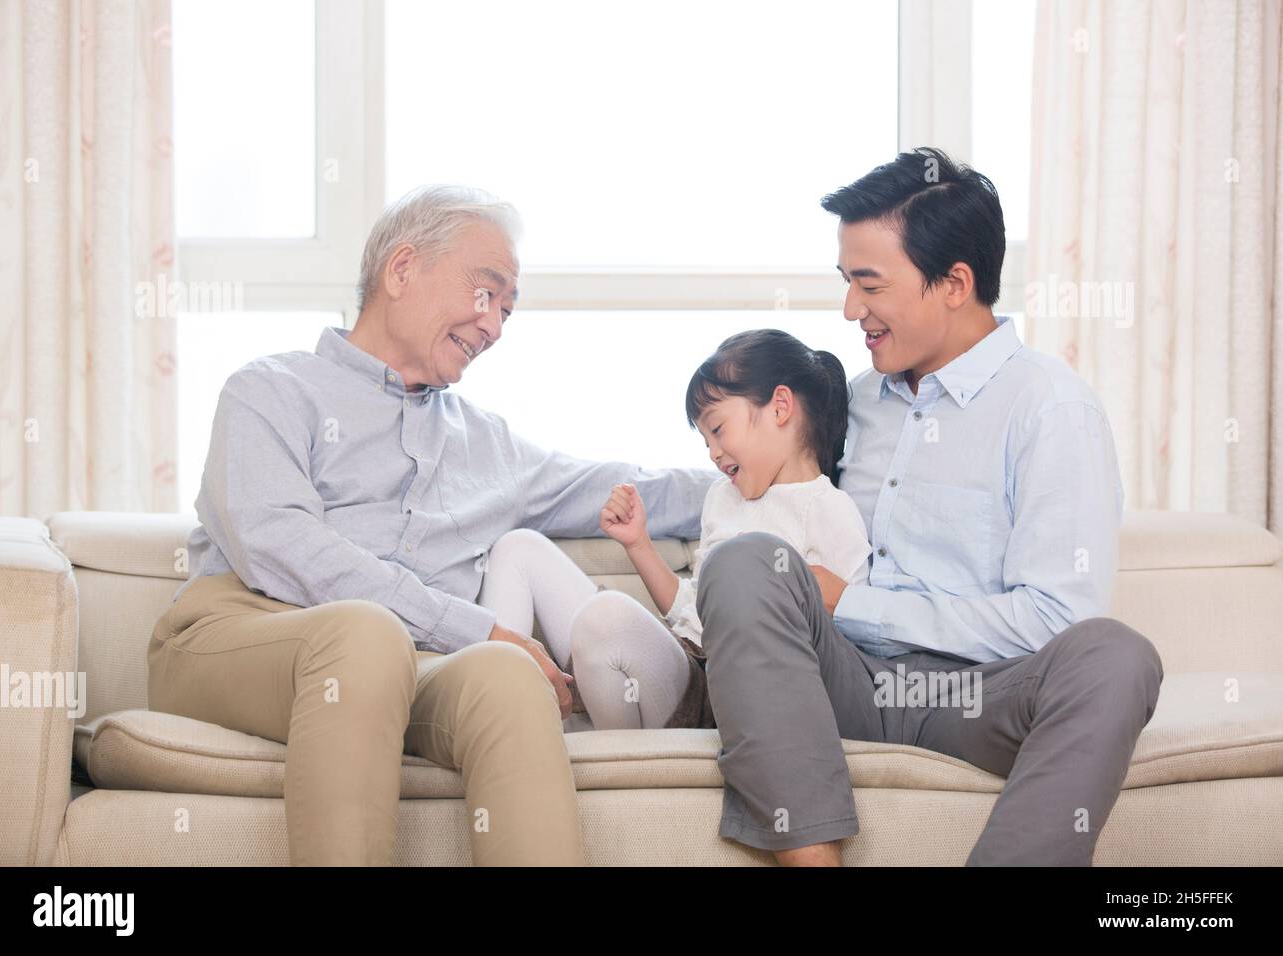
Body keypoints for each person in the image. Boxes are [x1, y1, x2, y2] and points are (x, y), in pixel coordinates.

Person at [147, 185, 716, 865]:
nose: (497, 326)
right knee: (370, 633)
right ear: (402, 270)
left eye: (508, 310)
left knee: (508, 678)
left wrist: (792, 471)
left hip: (407, 667)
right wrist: (472, 626)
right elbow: (279, 543)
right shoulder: (270, 390)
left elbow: (633, 488)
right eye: (486, 294)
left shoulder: (489, 445)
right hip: (238, 635)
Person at [695, 148, 1164, 866]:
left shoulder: (1051, 409)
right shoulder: (853, 400)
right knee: (747, 559)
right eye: (847, 283)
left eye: (868, 284)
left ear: (954, 284)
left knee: (1115, 655)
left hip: (976, 695)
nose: (851, 310)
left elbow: (1055, 617)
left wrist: (853, 602)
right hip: (843, 678)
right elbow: (747, 470)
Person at [478, 329, 872, 730]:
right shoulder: (723, 498)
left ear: (780, 407)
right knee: (519, 548)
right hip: (679, 665)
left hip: (726, 690)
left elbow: (850, 646)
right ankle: (497, 720)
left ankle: (602, 745)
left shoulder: (829, 510)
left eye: (717, 429)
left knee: (605, 616)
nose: (713, 453)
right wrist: (638, 544)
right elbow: (689, 612)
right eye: (705, 440)